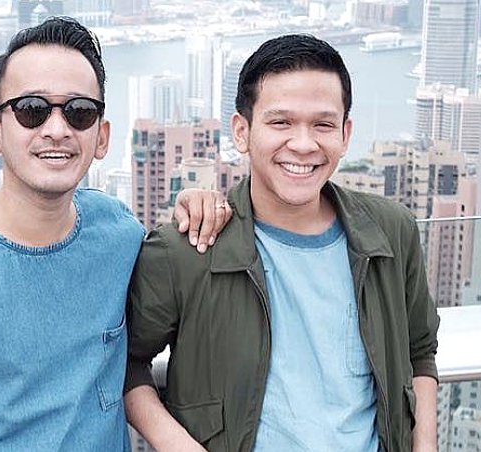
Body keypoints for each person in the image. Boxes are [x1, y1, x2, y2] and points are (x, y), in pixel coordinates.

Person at [0, 17, 231, 451]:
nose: (57, 129)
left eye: (79, 112)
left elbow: (141, 336)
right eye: (31, 109)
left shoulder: (118, 232)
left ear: (102, 137)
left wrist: (196, 201)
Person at [124, 34, 440, 452]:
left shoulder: (391, 232)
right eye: (281, 123)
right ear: (242, 131)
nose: (304, 144)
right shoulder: (188, 248)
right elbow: (125, 362)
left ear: (345, 134)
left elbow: (420, 350)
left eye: (323, 125)